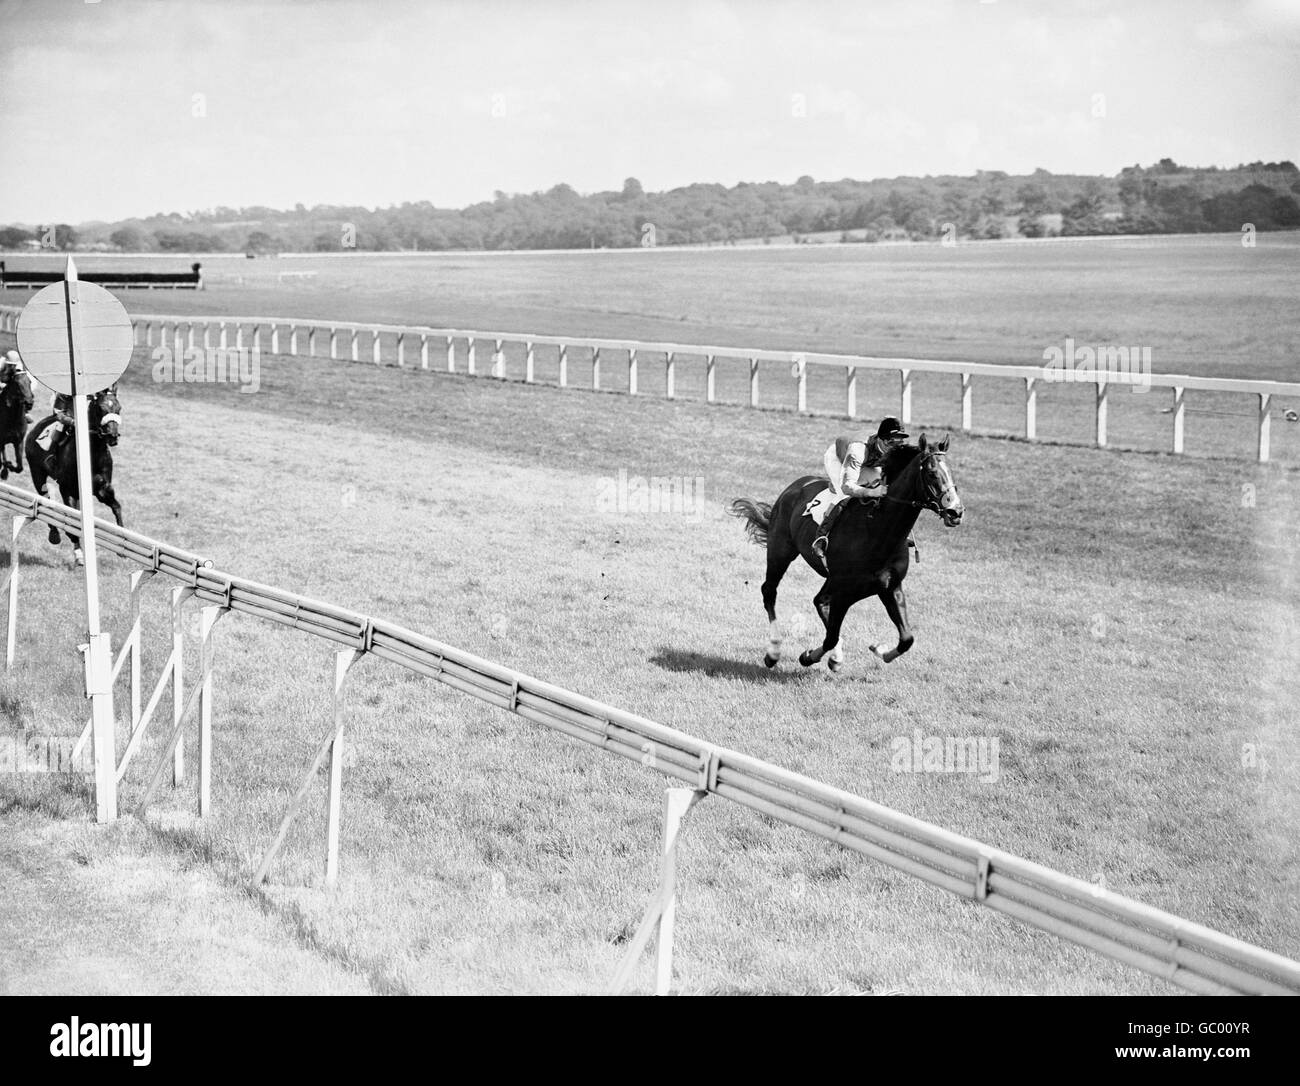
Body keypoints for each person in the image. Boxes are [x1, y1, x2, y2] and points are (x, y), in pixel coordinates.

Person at [810, 416, 909, 569]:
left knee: (883, 488)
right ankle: (821, 537)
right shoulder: (858, 450)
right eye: (891, 442)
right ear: (881, 440)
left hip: (869, 461)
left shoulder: (892, 450)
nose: (895, 447)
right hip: (839, 458)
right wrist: (870, 492)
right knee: (845, 494)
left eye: (899, 442)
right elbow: (848, 487)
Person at [43, 391, 76, 474]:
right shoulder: (63, 392)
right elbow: (59, 414)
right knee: (59, 428)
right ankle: (53, 457)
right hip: (70, 421)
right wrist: (71, 421)